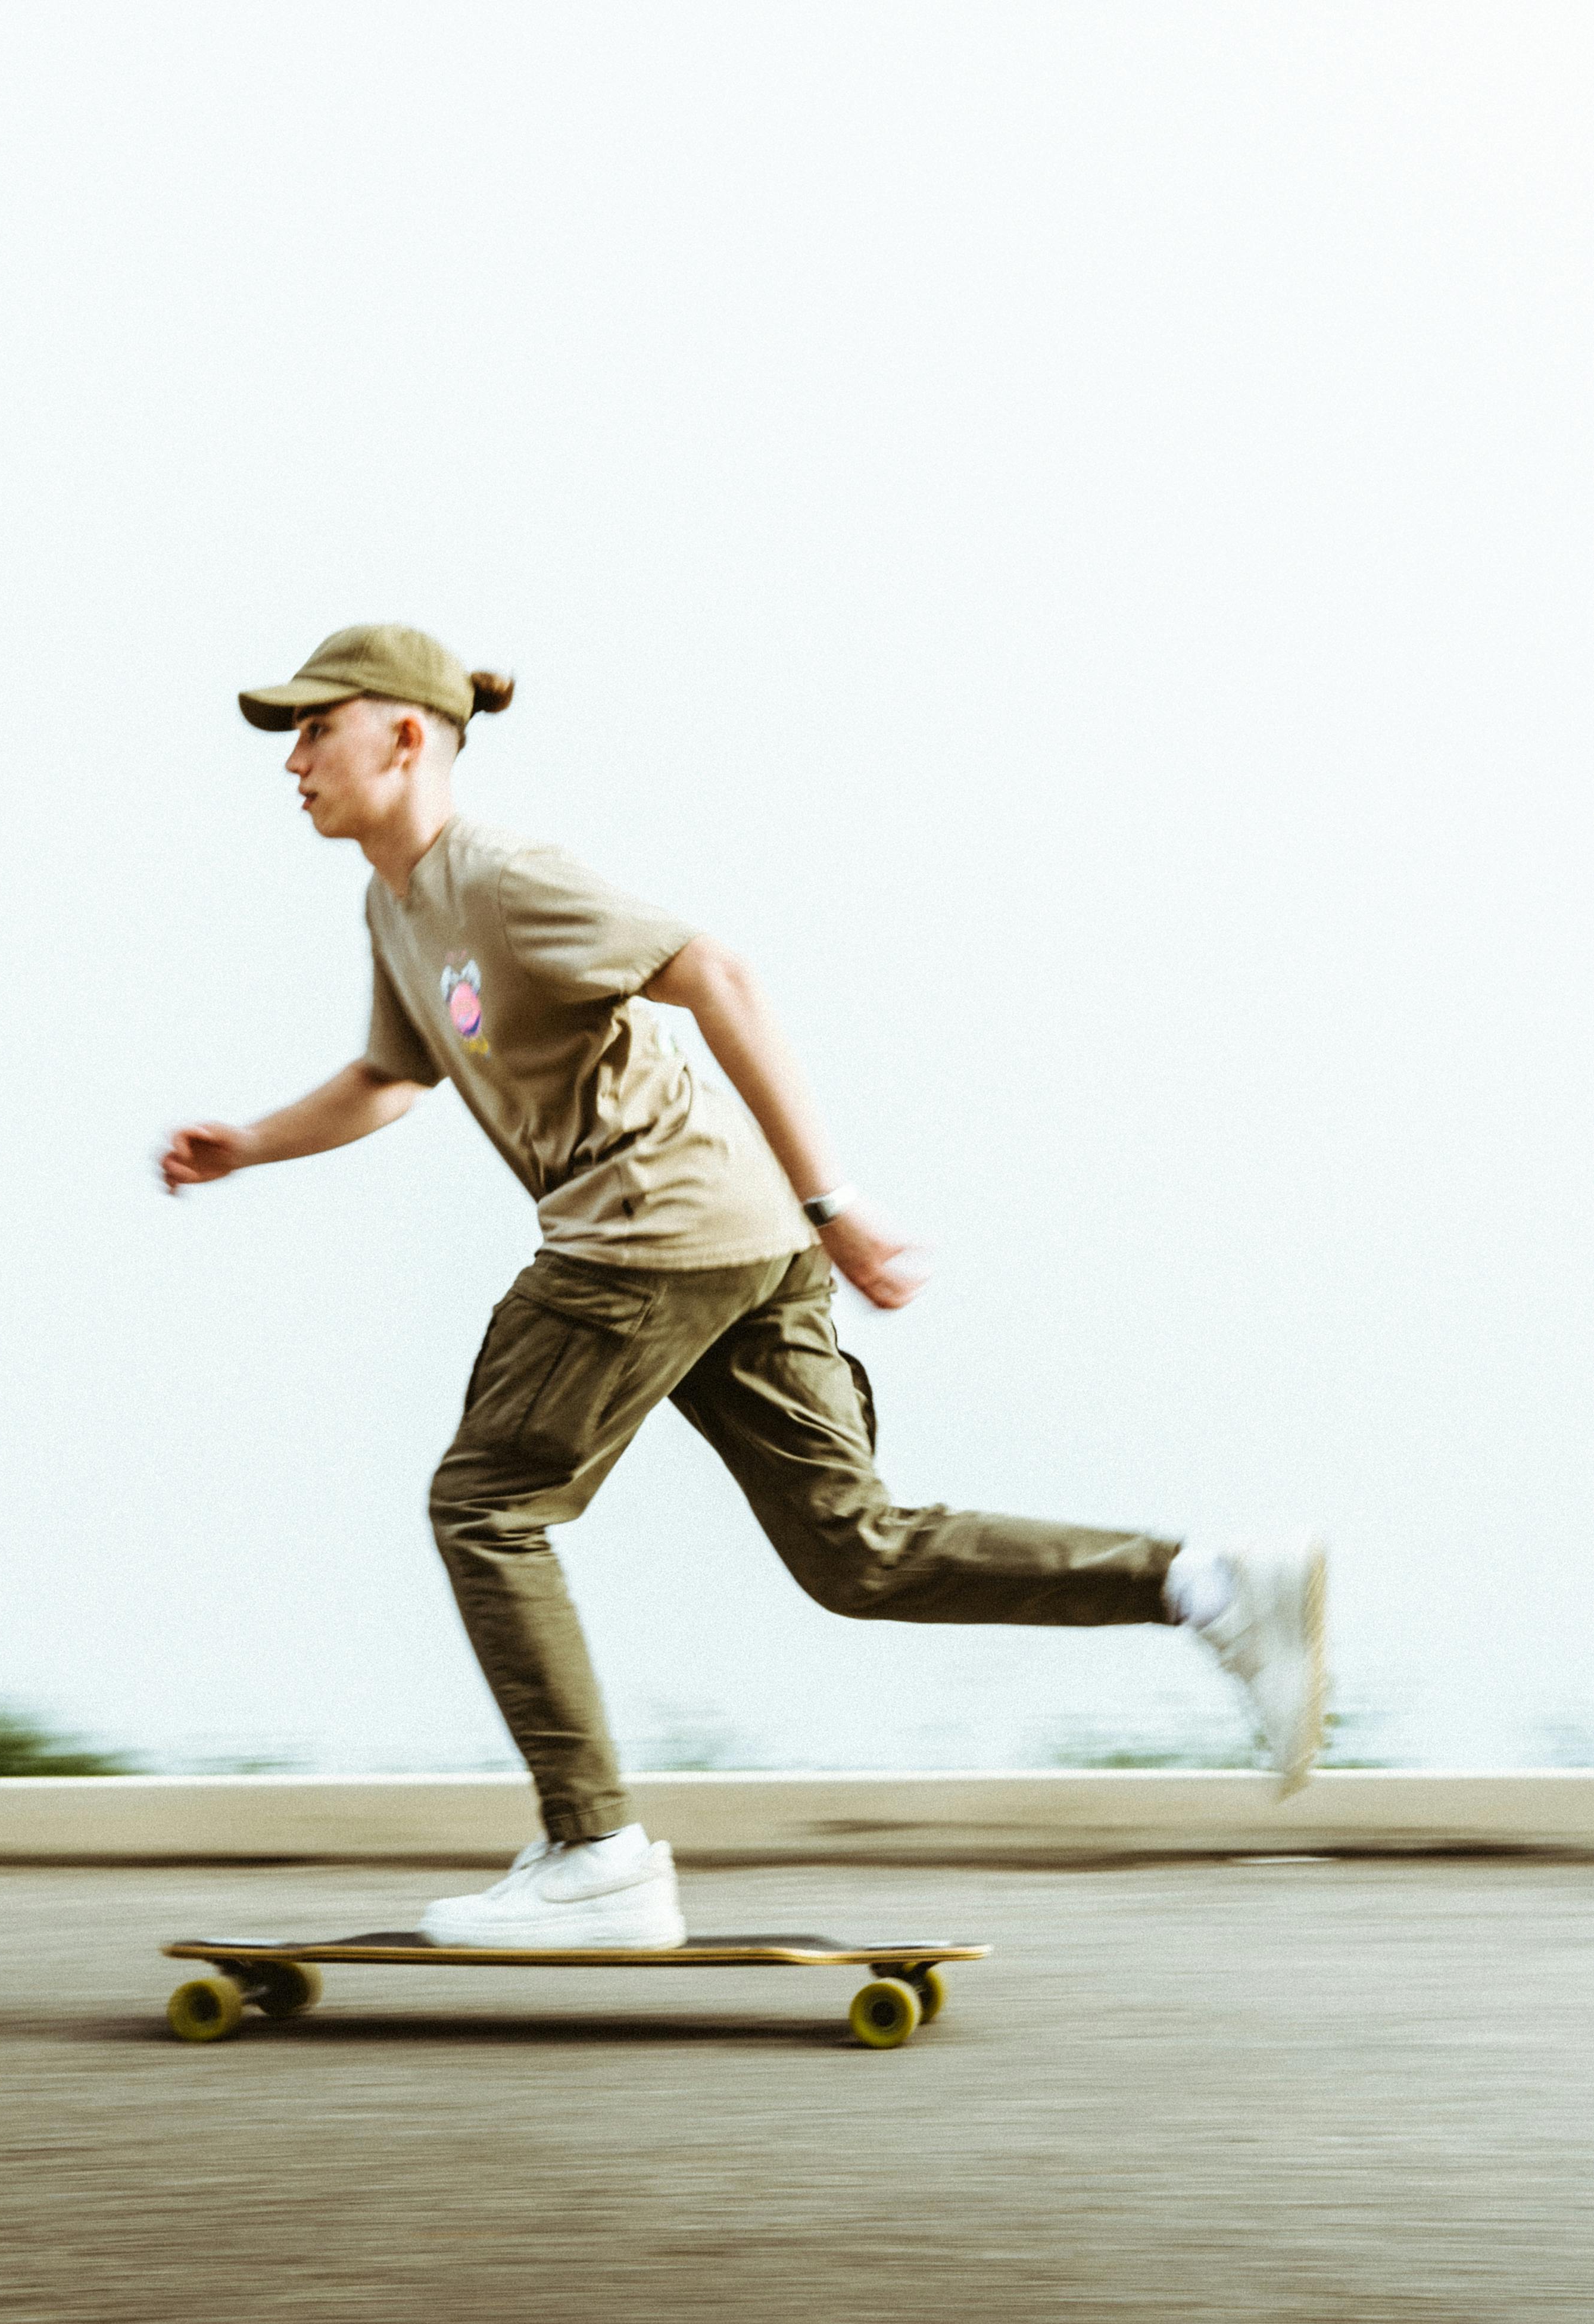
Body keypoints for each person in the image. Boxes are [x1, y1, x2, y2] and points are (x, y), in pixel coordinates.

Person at [160, 622, 1326, 1949]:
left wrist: (837, 1200)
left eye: (317, 727)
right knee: (854, 1551)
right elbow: (395, 1074)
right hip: (730, 1238)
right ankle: (1212, 1585)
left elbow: (714, 973)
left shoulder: (503, 874)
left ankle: (596, 1853)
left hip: (647, 1230)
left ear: (406, 736)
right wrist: (249, 1143)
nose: (295, 758)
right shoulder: (397, 903)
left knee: (484, 1504)